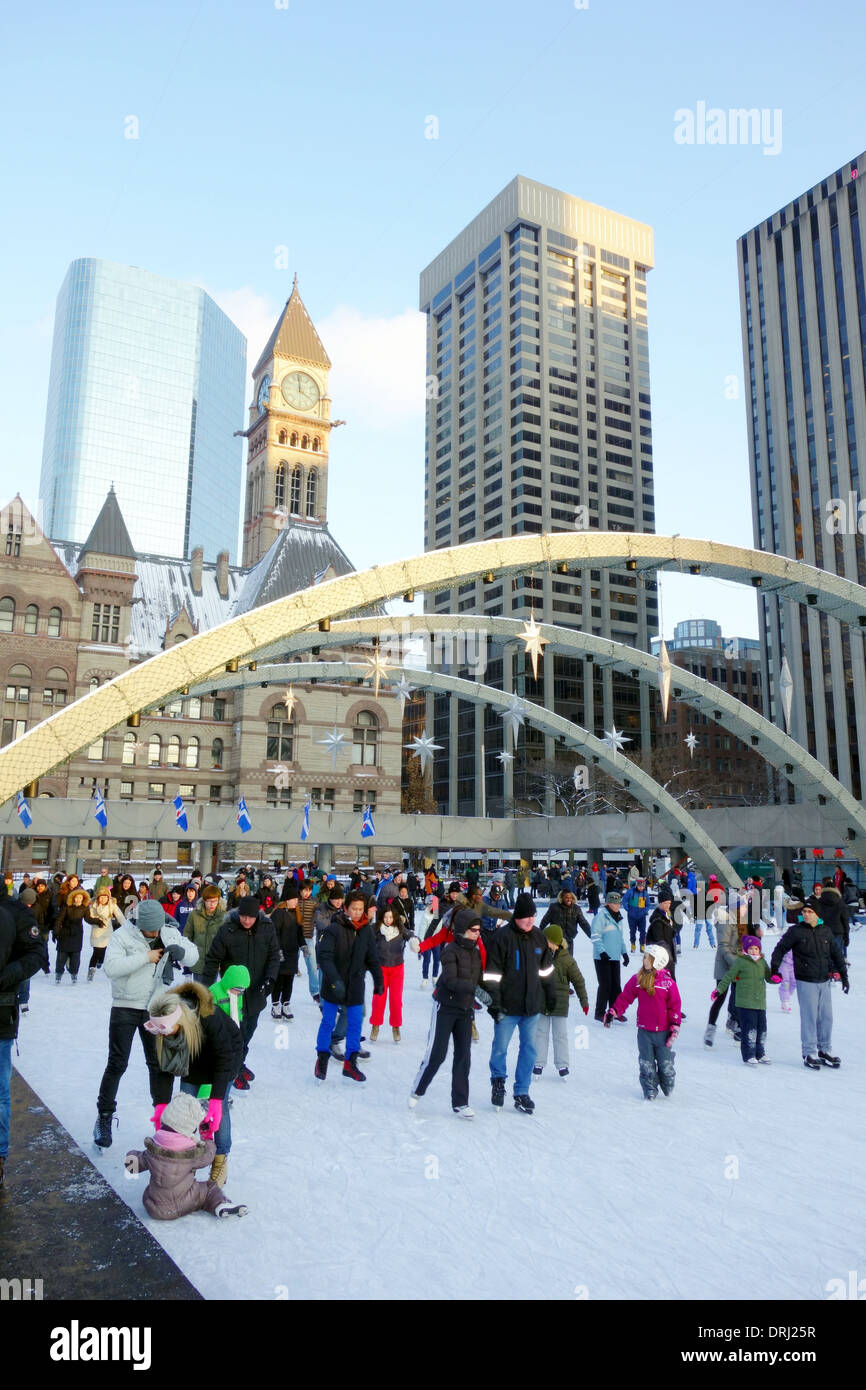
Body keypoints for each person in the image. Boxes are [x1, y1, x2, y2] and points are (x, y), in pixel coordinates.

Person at [94, 899, 199, 1149]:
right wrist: (146, 956)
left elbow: (193, 955)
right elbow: (111, 968)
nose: (153, 933)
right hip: (125, 1006)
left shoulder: (168, 931)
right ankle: (104, 1116)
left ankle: (162, 1122)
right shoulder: (122, 936)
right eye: (149, 930)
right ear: (138, 924)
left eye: (156, 929)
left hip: (155, 1008)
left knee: (159, 1065)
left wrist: (181, 952)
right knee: (117, 1063)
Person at [145, 981, 244, 1189]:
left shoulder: (210, 1017)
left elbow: (224, 1058)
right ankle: (184, 1157)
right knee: (184, 1109)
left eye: (165, 1030)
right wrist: (161, 1104)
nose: (162, 1034)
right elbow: (161, 1068)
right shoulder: (166, 1028)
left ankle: (220, 1157)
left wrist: (215, 1100)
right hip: (193, 1063)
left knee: (220, 1110)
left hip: (225, 1058)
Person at [482, 892, 557, 1114]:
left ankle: (522, 1091)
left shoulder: (539, 938)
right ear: (517, 917)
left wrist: (551, 994)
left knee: (529, 1050)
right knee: (500, 1048)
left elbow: (546, 971)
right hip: (507, 1006)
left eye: (533, 917)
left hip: (532, 1006)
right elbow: (492, 975)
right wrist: (494, 1003)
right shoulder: (502, 937)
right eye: (527, 917)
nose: (531, 921)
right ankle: (498, 1081)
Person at [124, 1091, 247, 1220]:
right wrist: (207, 1139)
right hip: (184, 1203)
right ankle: (220, 1204)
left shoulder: (152, 1149)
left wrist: (130, 1155)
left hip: (153, 1206)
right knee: (209, 1188)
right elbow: (209, 1156)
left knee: (155, 1190)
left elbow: (133, 1165)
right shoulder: (192, 1152)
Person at [410, 909, 483, 1117]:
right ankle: (418, 1089)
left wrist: (487, 996)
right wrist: (474, 991)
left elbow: (479, 979)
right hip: (445, 1008)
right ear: (462, 930)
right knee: (437, 1055)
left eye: (479, 929)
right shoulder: (450, 950)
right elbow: (450, 981)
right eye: (473, 930)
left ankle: (460, 1103)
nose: (478, 933)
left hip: (465, 1009)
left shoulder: (476, 951)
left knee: (463, 1057)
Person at [201, 896, 279, 1091]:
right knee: (235, 1035)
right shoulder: (227, 930)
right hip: (232, 994)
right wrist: (205, 990)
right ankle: (232, 1071)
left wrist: (269, 981)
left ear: (257, 916)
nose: (246, 921)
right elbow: (212, 960)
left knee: (248, 1032)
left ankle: (239, 1063)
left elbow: (274, 957)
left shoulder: (267, 928)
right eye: (243, 916)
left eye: (250, 917)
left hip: (256, 993)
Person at [0, 884, 46, 1192]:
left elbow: (37, 952)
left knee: (0, 1090)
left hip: (1, 1012)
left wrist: (7, 976)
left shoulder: (15, 912)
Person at [315, 889, 384, 1083]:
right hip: (333, 986)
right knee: (328, 1022)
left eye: (360, 909)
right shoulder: (333, 929)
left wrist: (379, 980)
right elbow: (324, 956)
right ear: (346, 908)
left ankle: (350, 1063)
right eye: (353, 908)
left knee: (355, 1023)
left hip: (355, 985)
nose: (356, 912)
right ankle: (322, 1058)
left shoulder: (366, 931)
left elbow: (372, 958)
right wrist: (335, 980)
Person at [770, 901, 849, 1069]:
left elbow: (836, 954)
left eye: (810, 911)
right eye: (804, 911)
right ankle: (809, 1052)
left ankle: (824, 1049)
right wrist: (775, 968)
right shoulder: (796, 931)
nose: (806, 914)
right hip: (806, 981)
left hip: (824, 980)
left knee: (826, 1017)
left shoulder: (825, 931)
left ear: (817, 914)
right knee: (810, 1017)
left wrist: (844, 975)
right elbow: (780, 949)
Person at [604, 944, 681, 1099]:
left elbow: (675, 1005)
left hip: (664, 1033)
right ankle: (650, 1089)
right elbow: (625, 997)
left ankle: (668, 1083)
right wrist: (614, 1011)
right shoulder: (637, 980)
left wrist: (674, 1025)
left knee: (665, 1064)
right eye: (644, 956)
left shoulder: (668, 983)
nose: (644, 959)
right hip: (644, 1032)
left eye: (647, 957)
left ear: (657, 961)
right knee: (646, 1063)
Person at [533, 923, 588, 1079]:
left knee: (560, 1035)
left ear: (555, 942)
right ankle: (538, 1062)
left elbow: (579, 981)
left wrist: (584, 1001)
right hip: (542, 1002)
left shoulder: (566, 960)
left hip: (559, 1003)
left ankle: (562, 1065)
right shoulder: (538, 955)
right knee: (540, 1033)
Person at [715, 934, 776, 1065]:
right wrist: (718, 990)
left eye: (756, 948)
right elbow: (729, 976)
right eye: (751, 948)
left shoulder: (762, 962)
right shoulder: (741, 962)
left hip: (760, 1002)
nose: (754, 951)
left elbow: (769, 977)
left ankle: (760, 1053)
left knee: (762, 1029)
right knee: (749, 1030)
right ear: (746, 949)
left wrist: (775, 979)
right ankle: (749, 1055)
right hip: (745, 1003)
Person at [369, 903, 420, 1043]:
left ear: (395, 917)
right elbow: (363, 935)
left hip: (397, 969)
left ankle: (396, 1026)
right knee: (379, 999)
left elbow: (411, 935)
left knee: (396, 1000)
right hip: (381, 969)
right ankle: (375, 1024)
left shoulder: (400, 929)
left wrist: (414, 941)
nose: (388, 920)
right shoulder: (376, 929)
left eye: (390, 917)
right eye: (385, 917)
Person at [703, 908, 742, 1046]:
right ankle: (710, 1029)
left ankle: (736, 1026)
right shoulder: (725, 923)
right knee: (720, 998)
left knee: (738, 997)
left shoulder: (738, 922)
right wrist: (736, 964)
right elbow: (723, 947)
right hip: (725, 967)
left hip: (737, 965)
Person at [590, 888, 630, 1022]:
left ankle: (615, 1011)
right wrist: (602, 951)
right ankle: (599, 1012)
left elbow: (620, 938)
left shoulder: (618, 918)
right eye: (615, 903)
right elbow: (595, 936)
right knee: (605, 985)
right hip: (602, 957)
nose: (618, 905)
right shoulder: (600, 917)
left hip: (614, 957)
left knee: (616, 985)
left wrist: (624, 953)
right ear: (608, 904)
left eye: (619, 903)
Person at [270, 887, 306, 1020]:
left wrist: (303, 946)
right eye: (294, 899)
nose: (296, 901)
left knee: (289, 980)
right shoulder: (279, 913)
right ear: (287, 900)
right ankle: (275, 1005)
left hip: (292, 952)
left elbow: (299, 933)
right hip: (280, 952)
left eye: (297, 899)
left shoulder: (296, 913)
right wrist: (278, 949)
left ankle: (286, 1004)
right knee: (279, 980)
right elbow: (275, 933)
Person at [183, 884, 226, 981]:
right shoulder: (194, 914)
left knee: (210, 992)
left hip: (214, 962)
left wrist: (223, 959)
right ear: (204, 900)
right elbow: (187, 935)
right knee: (199, 991)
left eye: (214, 901)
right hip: (198, 960)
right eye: (209, 901)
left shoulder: (223, 916)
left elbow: (227, 941)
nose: (212, 904)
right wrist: (187, 954)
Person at [54, 886, 96, 984]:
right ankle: (58, 974)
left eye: (80, 898)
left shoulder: (84, 908)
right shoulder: (66, 906)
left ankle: (74, 974)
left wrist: (97, 921)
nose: (78, 899)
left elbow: (88, 918)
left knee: (75, 957)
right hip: (64, 934)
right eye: (76, 897)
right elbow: (59, 919)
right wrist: (56, 931)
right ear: (73, 898)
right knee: (61, 957)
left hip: (77, 934)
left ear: (83, 899)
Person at [88, 886, 126, 980]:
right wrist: (97, 921)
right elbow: (90, 917)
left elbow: (119, 915)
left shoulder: (111, 904)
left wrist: (125, 925)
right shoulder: (93, 905)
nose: (103, 899)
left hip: (107, 931)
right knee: (96, 951)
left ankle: (100, 961)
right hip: (97, 930)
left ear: (108, 897)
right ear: (97, 897)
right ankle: (91, 970)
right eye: (101, 897)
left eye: (105, 897)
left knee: (103, 950)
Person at [807, 878, 849, 961]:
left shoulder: (818, 902)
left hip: (822, 931)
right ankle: (836, 972)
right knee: (837, 955)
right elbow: (845, 920)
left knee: (824, 954)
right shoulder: (841, 902)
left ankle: (826, 971)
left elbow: (814, 918)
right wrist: (846, 935)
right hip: (838, 931)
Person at [645, 884, 679, 982]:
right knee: (665, 983)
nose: (667, 905)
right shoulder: (658, 919)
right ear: (659, 903)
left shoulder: (667, 915)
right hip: (662, 958)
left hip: (669, 953)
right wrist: (667, 958)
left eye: (669, 903)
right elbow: (659, 941)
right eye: (665, 903)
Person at [621, 877, 651, 953]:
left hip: (642, 916)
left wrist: (645, 910)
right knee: (632, 931)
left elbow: (648, 905)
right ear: (636, 885)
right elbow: (624, 901)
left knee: (643, 931)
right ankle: (633, 944)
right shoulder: (630, 892)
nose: (641, 888)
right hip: (632, 916)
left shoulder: (645, 893)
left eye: (643, 886)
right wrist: (628, 909)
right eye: (639, 886)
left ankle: (642, 945)